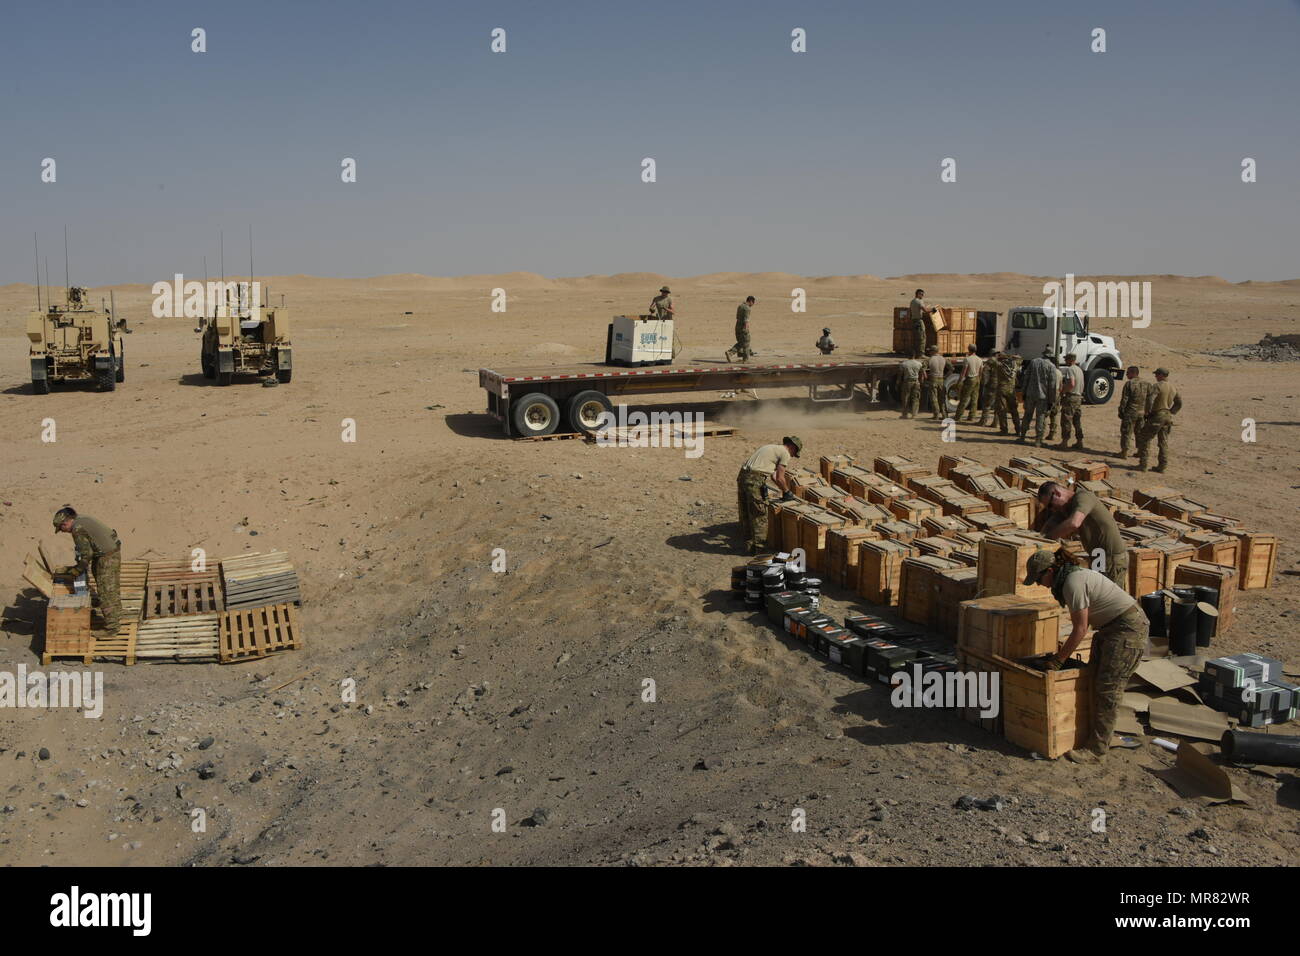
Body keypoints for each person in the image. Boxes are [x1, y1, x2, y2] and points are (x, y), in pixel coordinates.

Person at [1023, 550, 1149, 764]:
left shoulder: (1073, 582)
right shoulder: (1071, 577)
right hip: (1110, 629)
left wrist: (1058, 661)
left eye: (1039, 579)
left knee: (1108, 689)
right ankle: (1096, 736)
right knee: (1093, 679)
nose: (1039, 585)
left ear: (1051, 571)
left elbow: (1080, 630)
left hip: (1126, 630)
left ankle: (1097, 751)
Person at [1034, 481, 1128, 587]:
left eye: (1051, 505)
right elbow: (1049, 526)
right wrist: (1039, 540)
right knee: (1097, 596)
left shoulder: (1083, 497)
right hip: (1098, 557)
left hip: (1111, 558)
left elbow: (1074, 523)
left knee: (1111, 598)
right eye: (1049, 508)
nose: (1053, 509)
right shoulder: (1067, 508)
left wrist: (1049, 537)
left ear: (1057, 493)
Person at [53, 506, 122, 635]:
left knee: (106, 591)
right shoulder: (81, 518)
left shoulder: (77, 529)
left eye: (61, 528)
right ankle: (116, 616)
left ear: (65, 523)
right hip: (109, 552)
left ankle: (112, 628)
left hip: (106, 557)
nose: (63, 531)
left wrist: (76, 571)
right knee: (111, 588)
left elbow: (86, 555)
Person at [737, 437, 802, 553]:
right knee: (760, 515)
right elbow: (780, 478)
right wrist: (787, 492)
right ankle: (760, 550)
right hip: (754, 480)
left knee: (746, 512)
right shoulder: (785, 453)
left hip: (743, 477)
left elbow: (773, 477)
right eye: (794, 454)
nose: (792, 456)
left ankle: (748, 547)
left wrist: (782, 490)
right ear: (792, 447)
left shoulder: (770, 447)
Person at [1136, 367, 1182, 473]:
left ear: (1161, 375)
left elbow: (1151, 400)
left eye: (1157, 374)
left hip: (1157, 415)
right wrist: (1172, 412)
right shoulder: (1173, 387)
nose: (1155, 376)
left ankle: (1143, 465)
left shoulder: (1157, 386)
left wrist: (1148, 412)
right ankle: (1162, 466)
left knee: (1144, 438)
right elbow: (1179, 402)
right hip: (1167, 416)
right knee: (1163, 442)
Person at [1018, 346, 1056, 446]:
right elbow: (1052, 385)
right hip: (1043, 397)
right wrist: (1051, 400)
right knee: (1040, 417)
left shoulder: (1033, 362)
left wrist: (1024, 392)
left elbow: (1026, 377)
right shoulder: (1051, 366)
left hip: (1030, 394)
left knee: (1027, 415)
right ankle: (1038, 440)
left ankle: (1022, 437)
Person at [1116, 366, 1150, 459]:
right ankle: (1140, 451)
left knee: (1126, 432)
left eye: (1128, 373)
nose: (1126, 374)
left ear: (1133, 373)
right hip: (1142, 412)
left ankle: (1124, 452)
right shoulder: (1146, 383)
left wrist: (1121, 411)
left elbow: (1124, 400)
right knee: (1139, 432)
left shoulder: (1129, 383)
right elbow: (1150, 399)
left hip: (1131, 412)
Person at [1057, 353, 1085, 451]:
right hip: (1078, 397)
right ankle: (1079, 441)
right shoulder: (1080, 370)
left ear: (1069, 360)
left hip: (1071, 397)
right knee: (1077, 420)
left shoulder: (1071, 369)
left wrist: (1063, 391)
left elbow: (1071, 384)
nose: (1065, 361)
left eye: (1066, 360)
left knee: (1066, 420)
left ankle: (1064, 442)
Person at [990, 352, 1022, 436]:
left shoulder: (999, 365)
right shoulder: (1015, 364)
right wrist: (1011, 356)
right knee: (1014, 410)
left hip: (1002, 390)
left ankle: (1004, 430)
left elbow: (991, 360)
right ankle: (1018, 430)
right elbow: (1019, 358)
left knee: (1002, 410)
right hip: (1011, 391)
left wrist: (997, 356)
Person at [953, 344, 981, 422]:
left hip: (970, 379)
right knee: (974, 398)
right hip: (977, 379)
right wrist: (979, 379)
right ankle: (972, 416)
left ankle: (958, 417)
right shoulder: (979, 359)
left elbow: (964, 372)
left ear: (969, 350)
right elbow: (980, 371)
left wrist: (959, 381)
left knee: (964, 398)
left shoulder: (967, 359)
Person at [908, 289, 937, 359]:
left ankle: (915, 353)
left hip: (914, 321)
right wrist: (933, 309)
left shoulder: (912, 301)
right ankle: (921, 354)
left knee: (916, 338)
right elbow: (925, 310)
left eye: (923, 294)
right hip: (918, 321)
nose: (922, 296)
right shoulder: (919, 301)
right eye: (921, 294)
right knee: (922, 338)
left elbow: (911, 312)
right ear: (917, 294)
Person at [726, 296, 756, 363]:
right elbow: (746, 320)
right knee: (746, 342)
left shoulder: (740, 306)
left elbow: (737, 317)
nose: (752, 305)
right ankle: (745, 359)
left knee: (741, 342)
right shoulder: (747, 308)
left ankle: (731, 353)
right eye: (753, 303)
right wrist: (746, 329)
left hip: (737, 326)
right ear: (751, 301)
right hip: (743, 327)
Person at [924, 346, 948, 419]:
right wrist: (945, 376)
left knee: (934, 397)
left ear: (933, 351)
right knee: (942, 398)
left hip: (933, 379)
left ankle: (936, 414)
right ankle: (944, 415)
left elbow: (923, 369)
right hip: (941, 379)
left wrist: (926, 377)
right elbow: (951, 369)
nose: (929, 352)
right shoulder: (944, 359)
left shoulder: (929, 359)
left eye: (930, 351)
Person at [1045, 358, 1064, 444]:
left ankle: (1041, 433)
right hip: (1057, 394)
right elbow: (1061, 386)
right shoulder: (1059, 372)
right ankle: (1052, 434)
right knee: (1054, 415)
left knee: (1044, 414)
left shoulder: (1049, 372)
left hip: (1049, 394)